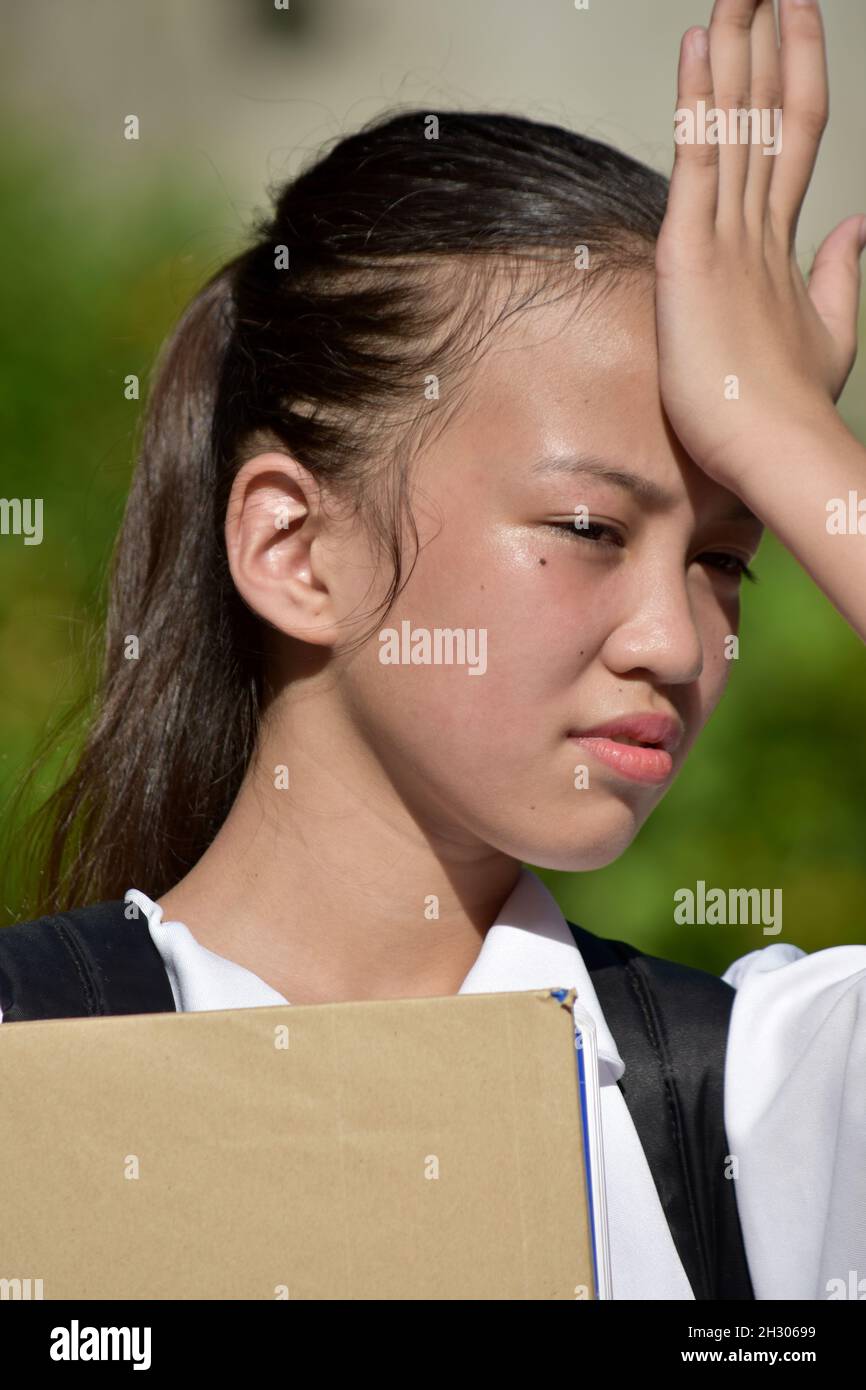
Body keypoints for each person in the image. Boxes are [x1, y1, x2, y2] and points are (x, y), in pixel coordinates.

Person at [1, 0, 864, 1300]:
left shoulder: (754, 1106)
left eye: (725, 555)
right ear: (295, 548)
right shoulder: (29, 1059)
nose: (676, 639)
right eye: (586, 526)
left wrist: (796, 443)